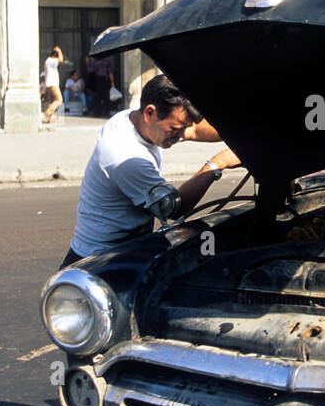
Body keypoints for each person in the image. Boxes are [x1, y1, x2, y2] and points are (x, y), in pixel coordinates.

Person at [61, 73, 241, 263]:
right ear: (150, 113)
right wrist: (217, 164)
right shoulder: (126, 157)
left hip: (129, 246)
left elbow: (194, 129)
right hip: (99, 261)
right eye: (175, 130)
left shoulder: (137, 121)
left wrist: (241, 131)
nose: (180, 135)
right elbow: (174, 208)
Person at [41, 46, 64, 125]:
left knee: (51, 102)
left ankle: (48, 119)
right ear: (54, 56)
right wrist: (59, 51)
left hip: (49, 84)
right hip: (53, 84)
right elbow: (61, 60)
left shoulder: (47, 61)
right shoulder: (51, 60)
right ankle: (46, 114)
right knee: (59, 100)